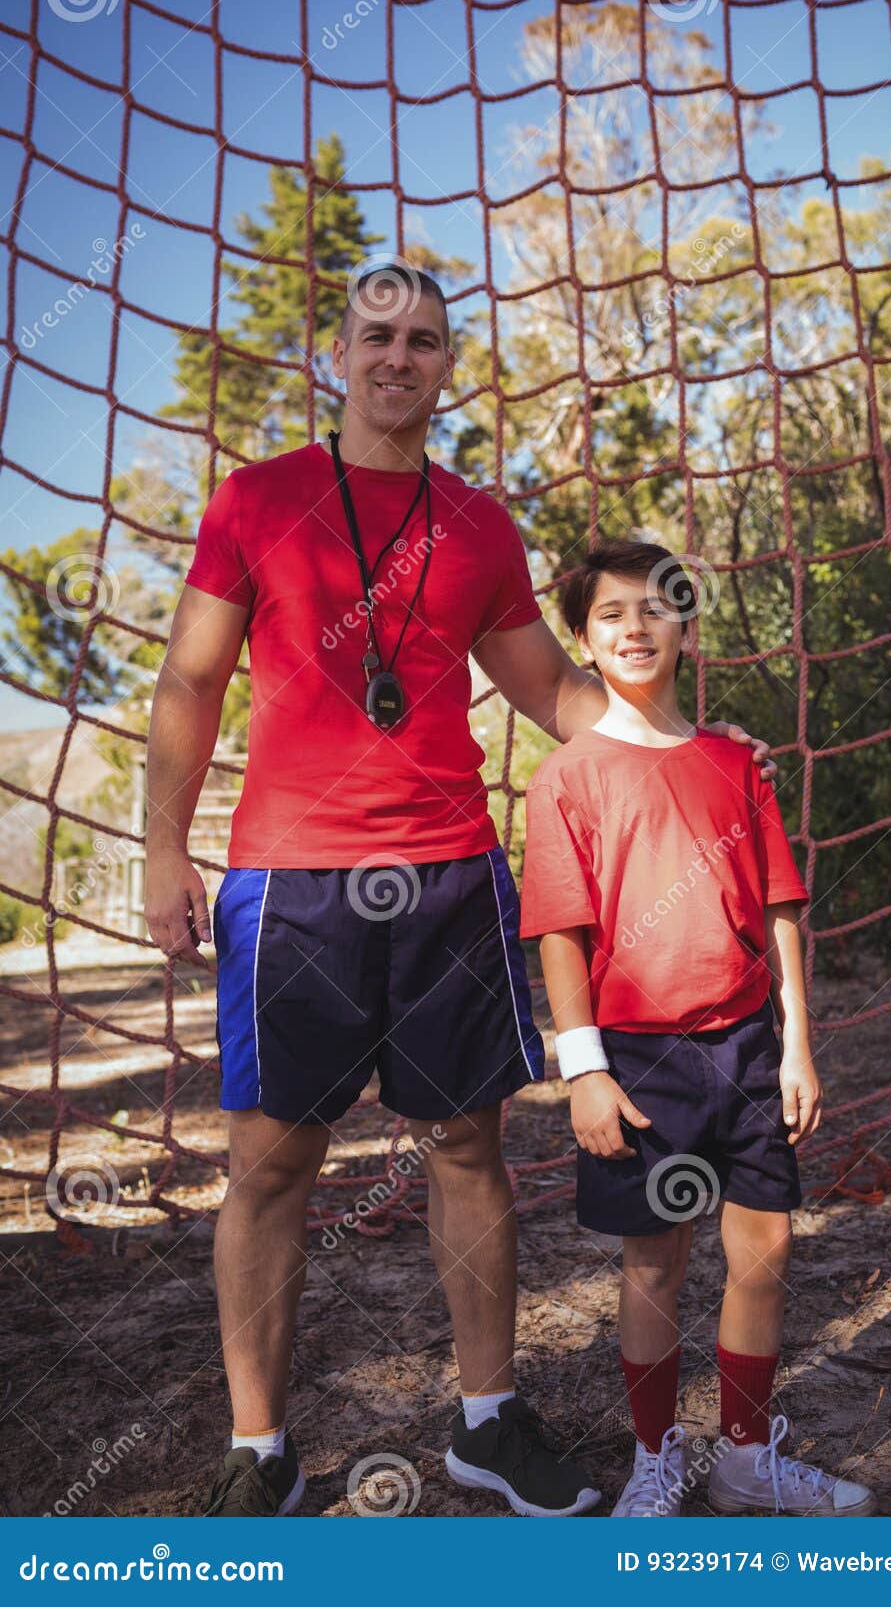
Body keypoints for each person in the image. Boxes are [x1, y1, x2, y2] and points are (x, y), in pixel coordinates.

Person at [144, 264, 777, 1518]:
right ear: (337, 352)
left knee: (465, 1146)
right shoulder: (256, 499)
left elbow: (553, 693)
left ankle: (487, 1421)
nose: (398, 358)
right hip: (291, 882)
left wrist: (683, 744)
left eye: (423, 341)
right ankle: (258, 1445)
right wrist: (165, 846)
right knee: (271, 1164)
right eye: (377, 336)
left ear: (446, 367)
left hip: (448, 871)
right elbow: (190, 680)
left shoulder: (478, 522)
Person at [519, 538, 875, 1517]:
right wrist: (582, 1068)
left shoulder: (732, 761)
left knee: (764, 1245)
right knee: (652, 1258)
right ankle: (652, 1458)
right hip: (636, 1056)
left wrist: (795, 1041)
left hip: (745, 1045)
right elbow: (557, 929)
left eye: (652, 608)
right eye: (608, 615)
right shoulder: (566, 777)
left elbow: (778, 909)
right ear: (581, 640)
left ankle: (746, 1456)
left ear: (682, 623)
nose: (632, 627)